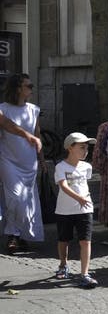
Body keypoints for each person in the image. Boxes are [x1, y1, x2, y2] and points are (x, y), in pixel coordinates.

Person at [0, 74, 44, 252]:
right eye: (29, 86)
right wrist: (27, 135)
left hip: (29, 161)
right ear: (18, 88)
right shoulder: (2, 109)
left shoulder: (34, 109)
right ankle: (12, 234)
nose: (32, 89)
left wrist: (42, 159)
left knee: (26, 201)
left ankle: (20, 235)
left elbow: (37, 134)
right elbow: (7, 125)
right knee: (15, 198)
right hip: (8, 160)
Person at [53, 132, 97, 287]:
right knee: (63, 240)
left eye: (87, 148)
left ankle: (84, 273)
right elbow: (63, 186)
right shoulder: (60, 166)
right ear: (70, 148)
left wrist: (83, 200)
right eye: (82, 147)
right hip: (64, 210)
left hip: (85, 209)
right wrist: (79, 198)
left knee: (85, 241)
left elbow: (84, 184)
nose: (86, 151)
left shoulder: (86, 166)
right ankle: (63, 264)